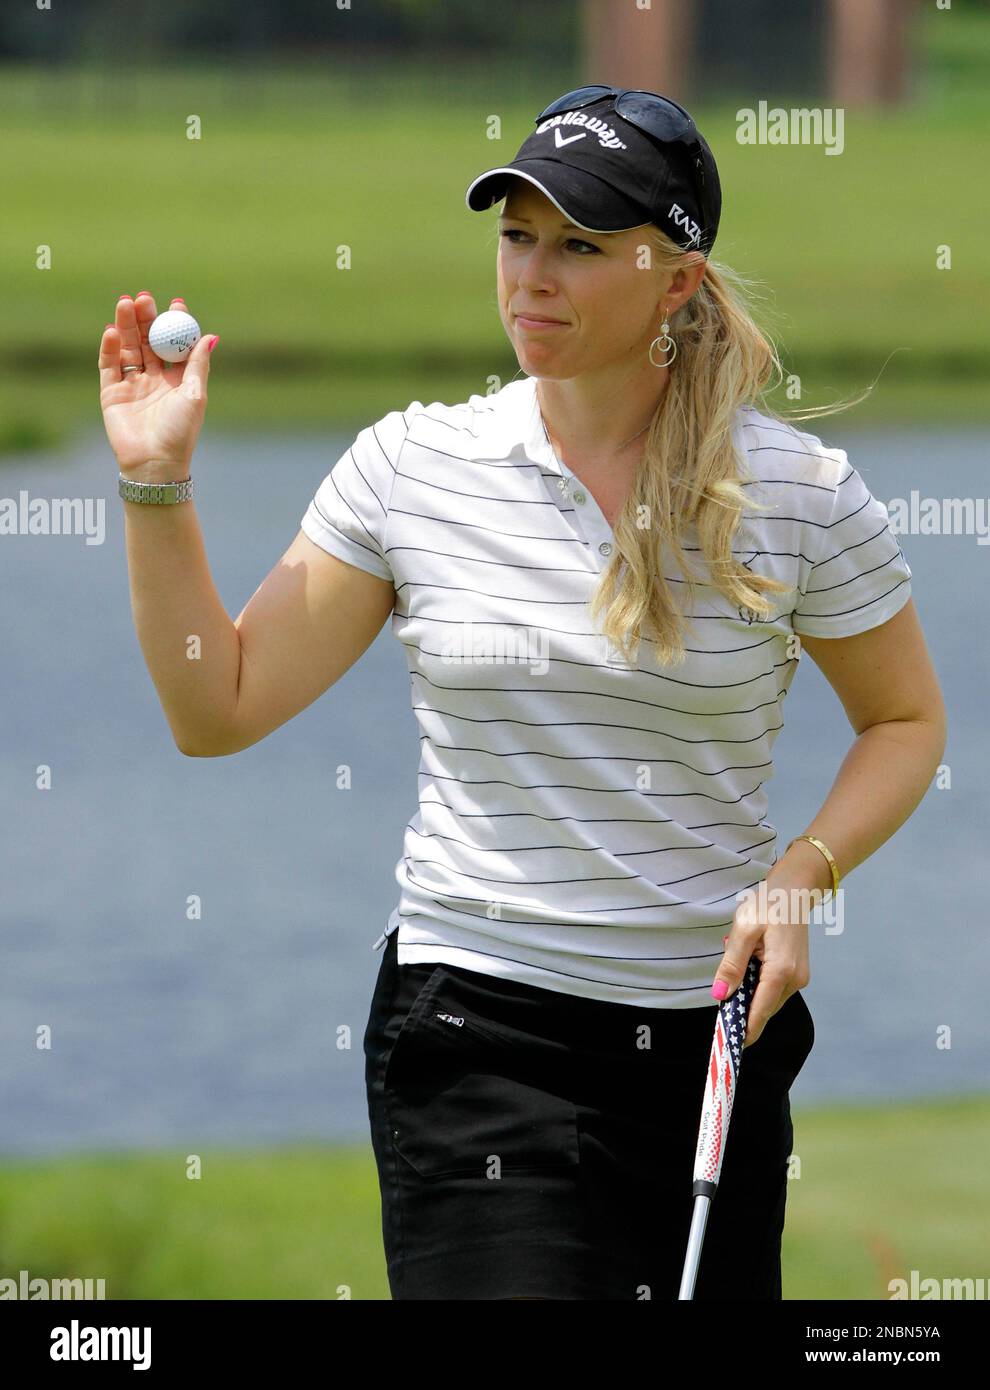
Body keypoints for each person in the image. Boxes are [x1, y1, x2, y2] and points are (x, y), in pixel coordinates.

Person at [98, 86, 947, 1301]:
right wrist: (155, 484)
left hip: (710, 1037)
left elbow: (906, 722)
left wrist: (803, 872)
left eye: (581, 246)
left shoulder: (800, 494)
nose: (532, 276)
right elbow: (215, 706)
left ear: (676, 282)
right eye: (516, 236)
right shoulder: (413, 467)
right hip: (477, 1033)